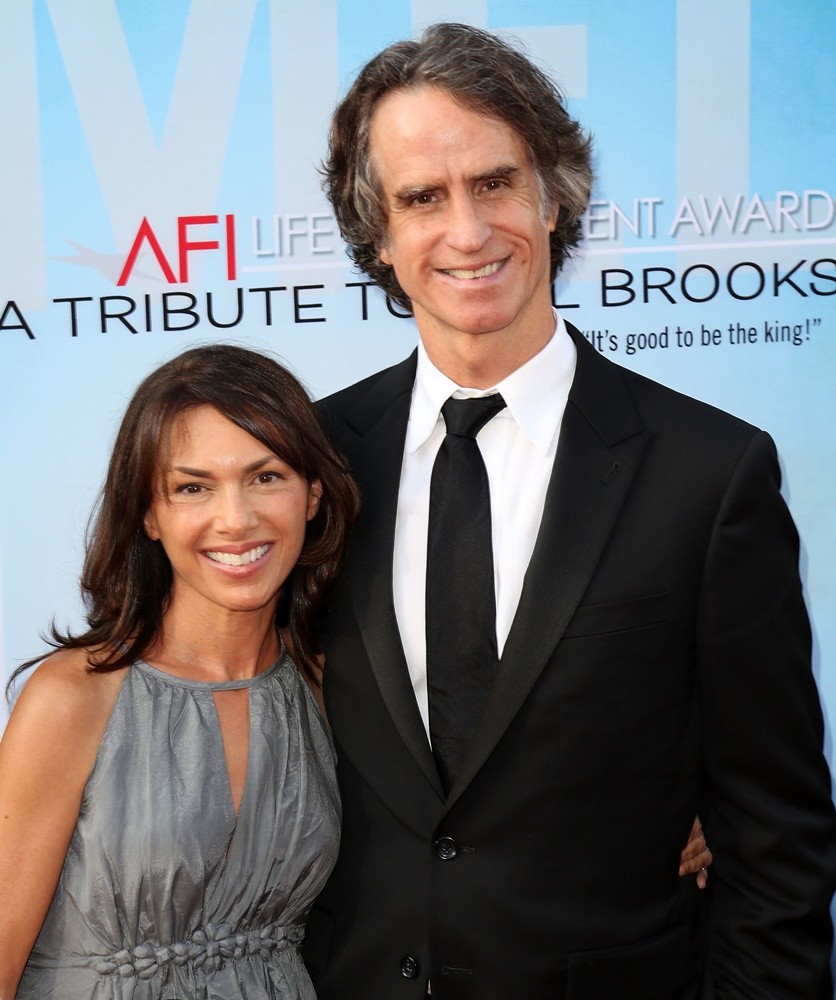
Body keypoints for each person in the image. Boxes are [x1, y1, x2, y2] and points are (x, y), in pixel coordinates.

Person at [302, 22, 836, 999]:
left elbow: (776, 836)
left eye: (495, 182)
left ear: (554, 195)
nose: (468, 232)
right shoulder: (308, 464)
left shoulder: (709, 474)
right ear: (377, 233)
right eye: (422, 198)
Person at [0, 344, 359, 998]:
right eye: (193, 487)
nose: (236, 519)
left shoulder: (321, 684)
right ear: (148, 513)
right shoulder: (74, 696)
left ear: (313, 494)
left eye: (266, 477)